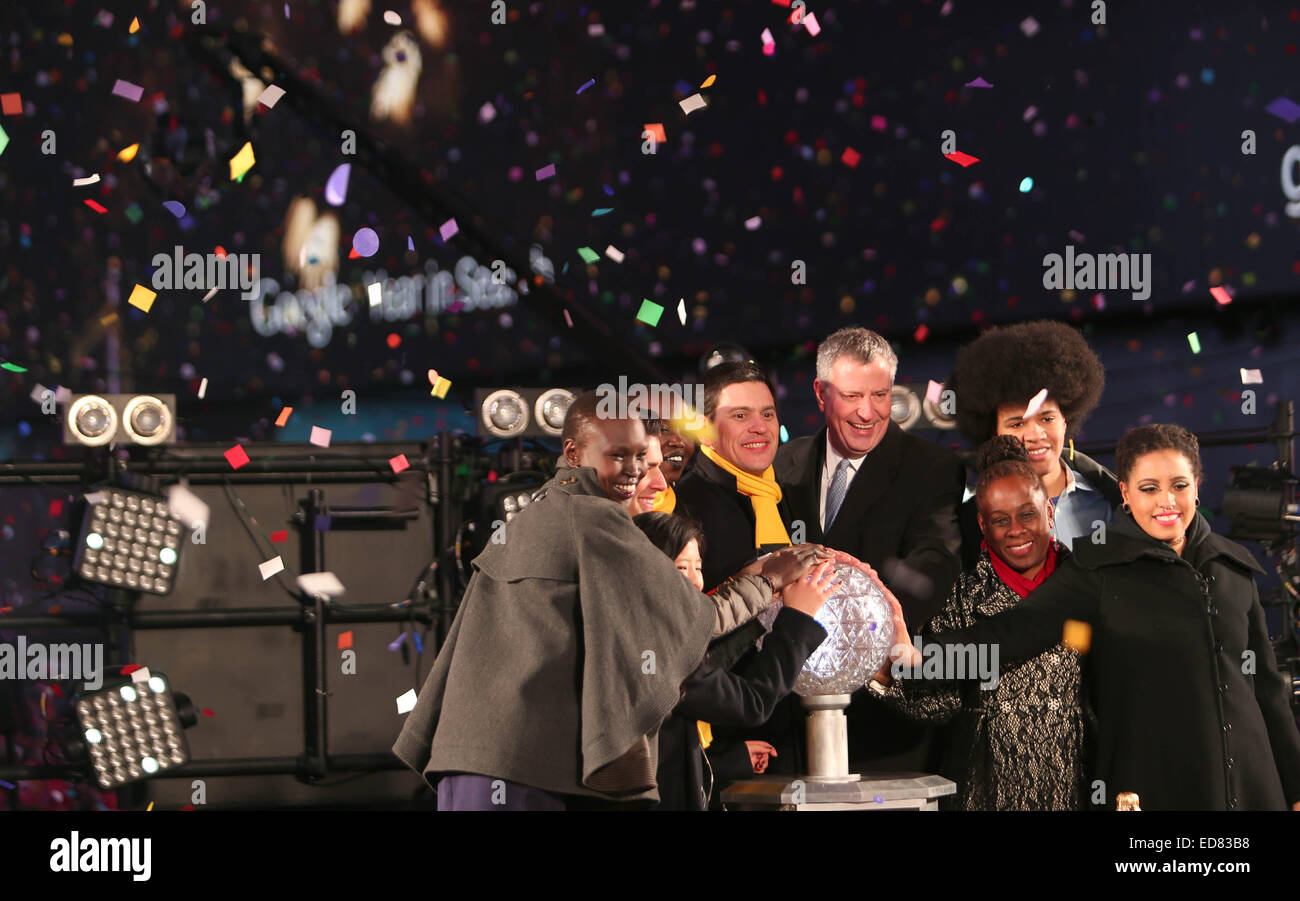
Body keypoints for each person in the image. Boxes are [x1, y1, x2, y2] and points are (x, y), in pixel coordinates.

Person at [883, 424, 1300, 810]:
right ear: (1125, 492)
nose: (1165, 502)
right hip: (1154, 787)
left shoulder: (1234, 568)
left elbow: (1267, 692)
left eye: (1179, 486)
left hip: (1254, 785)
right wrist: (916, 658)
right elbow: (1008, 633)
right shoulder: (1098, 570)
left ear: (1196, 488)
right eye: (1149, 488)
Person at [392, 393, 716, 810]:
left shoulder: (536, 512)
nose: (635, 471)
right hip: (524, 772)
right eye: (620, 455)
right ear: (572, 452)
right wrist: (767, 583)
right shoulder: (593, 516)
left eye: (642, 456)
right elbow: (693, 616)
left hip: (468, 763)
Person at [774, 327, 965, 773]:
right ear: (820, 393)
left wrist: (855, 630)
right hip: (788, 722)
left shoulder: (932, 468)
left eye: (880, 395)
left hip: (882, 726)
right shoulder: (781, 465)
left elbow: (933, 566)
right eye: (852, 395)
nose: (867, 412)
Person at [870, 436, 1086, 810]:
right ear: (983, 526)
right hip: (985, 787)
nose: (1016, 529)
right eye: (1000, 520)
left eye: (1027, 514)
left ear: (1049, 511)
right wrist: (889, 673)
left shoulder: (1087, 586)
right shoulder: (963, 597)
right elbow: (939, 706)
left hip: (1075, 783)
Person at [633, 511, 833, 810]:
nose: (694, 581)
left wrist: (731, 760)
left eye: (697, 567)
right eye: (680, 568)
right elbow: (752, 701)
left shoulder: (637, 630)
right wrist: (797, 620)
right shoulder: (649, 647)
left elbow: (703, 677)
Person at [948, 320, 1121, 568]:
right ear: (993, 433)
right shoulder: (969, 523)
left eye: (1046, 418)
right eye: (1017, 424)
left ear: (1065, 420)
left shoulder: (1111, 502)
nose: (1034, 434)